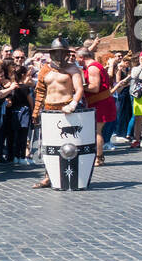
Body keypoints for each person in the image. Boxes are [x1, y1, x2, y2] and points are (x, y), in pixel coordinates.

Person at [31, 39, 84, 188]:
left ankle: (69, 174)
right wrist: (36, 111)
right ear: (52, 53)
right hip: (48, 110)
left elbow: (79, 89)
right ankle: (48, 176)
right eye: (56, 52)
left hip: (66, 110)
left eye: (62, 52)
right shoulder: (45, 69)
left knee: (68, 145)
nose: (59, 55)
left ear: (66, 53)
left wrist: (73, 104)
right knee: (47, 145)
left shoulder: (73, 69)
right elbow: (40, 92)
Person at [77, 47, 116, 165]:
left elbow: (94, 88)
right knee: (95, 130)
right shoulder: (91, 66)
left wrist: (78, 86)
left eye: (77, 57)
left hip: (100, 102)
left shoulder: (93, 68)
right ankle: (97, 156)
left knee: (96, 131)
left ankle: (99, 158)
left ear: (82, 57)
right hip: (98, 102)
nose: (76, 60)